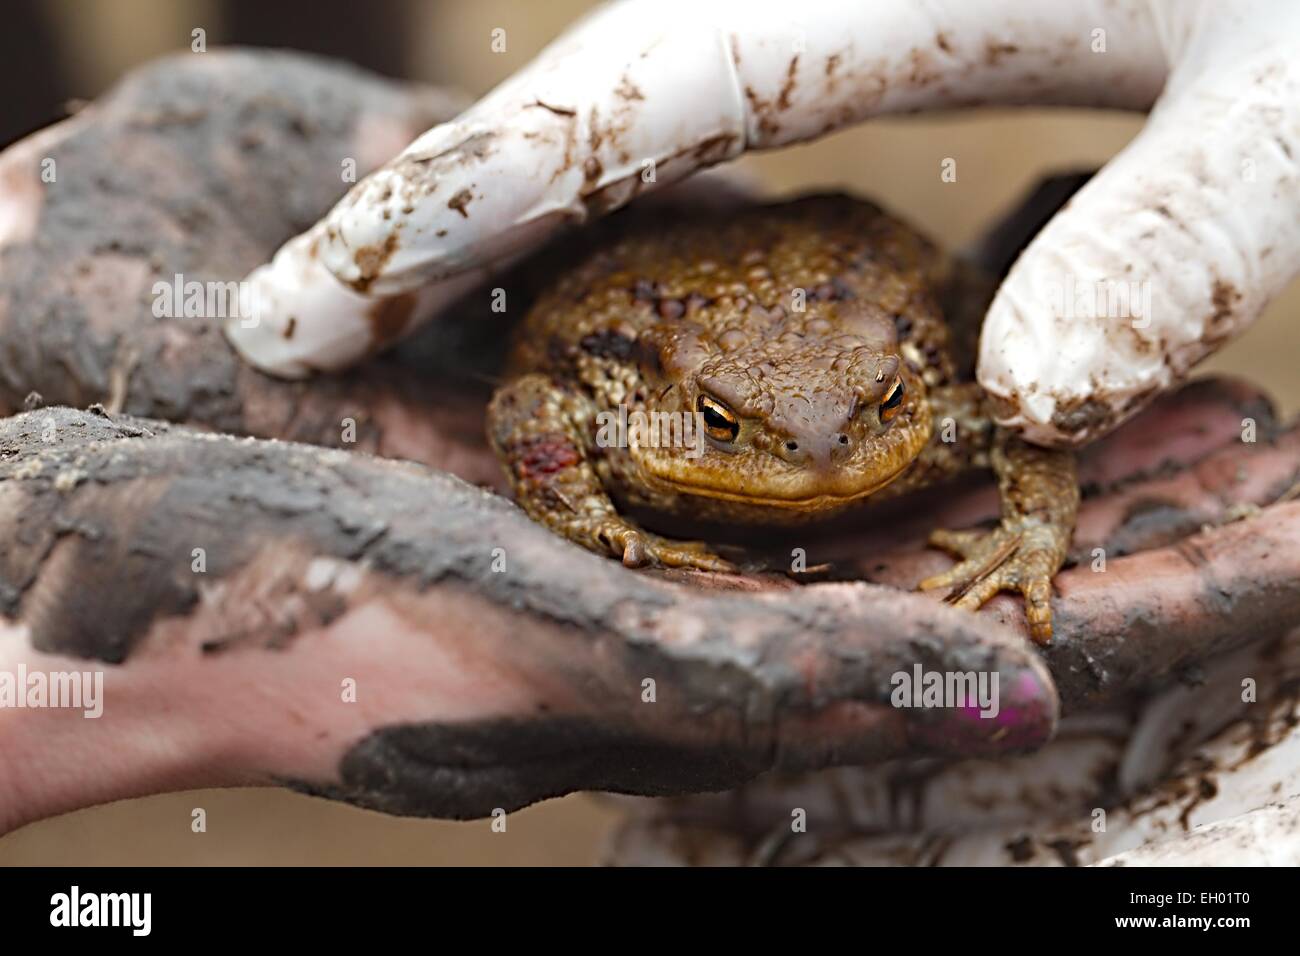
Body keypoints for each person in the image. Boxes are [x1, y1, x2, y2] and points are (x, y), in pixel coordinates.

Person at [0, 4, 1297, 863]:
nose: (824, 463)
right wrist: (601, 523)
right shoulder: (629, 395)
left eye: (878, 427)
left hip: (849, 296)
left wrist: (1026, 542)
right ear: (692, 411)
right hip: (667, 312)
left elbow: (1026, 430)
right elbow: (534, 405)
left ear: (912, 390)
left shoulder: (928, 398)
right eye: (740, 434)